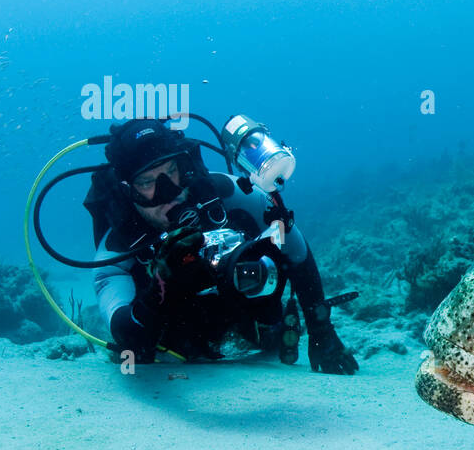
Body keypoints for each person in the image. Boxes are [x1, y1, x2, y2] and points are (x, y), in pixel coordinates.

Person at [91, 118, 358, 374]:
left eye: (171, 171)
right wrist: (161, 287)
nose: (167, 191)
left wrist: (321, 329)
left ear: (184, 167)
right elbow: (127, 336)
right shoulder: (116, 253)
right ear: (128, 190)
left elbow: (295, 247)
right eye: (147, 182)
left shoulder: (229, 195)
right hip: (173, 358)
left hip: (257, 338)